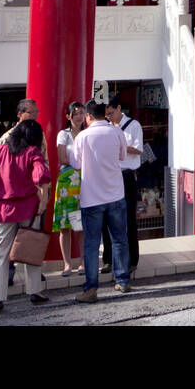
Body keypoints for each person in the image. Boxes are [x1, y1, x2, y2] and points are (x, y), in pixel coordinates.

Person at [0, 118, 51, 314]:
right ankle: (35, 291)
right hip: (28, 208)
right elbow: (41, 175)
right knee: (30, 249)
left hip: (3, 209)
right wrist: (43, 201)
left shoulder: (0, 151)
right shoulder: (32, 152)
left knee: (0, 255)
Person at [69, 100, 130, 302]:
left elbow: (76, 164)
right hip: (115, 194)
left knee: (92, 244)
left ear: (88, 116)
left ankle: (91, 289)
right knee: (119, 239)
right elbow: (122, 156)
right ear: (104, 114)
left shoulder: (82, 137)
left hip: (91, 197)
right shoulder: (117, 132)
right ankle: (122, 280)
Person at [102, 95, 142, 275]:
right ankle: (109, 259)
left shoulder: (133, 125)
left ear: (119, 109)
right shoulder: (106, 128)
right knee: (107, 219)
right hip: (110, 176)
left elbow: (138, 149)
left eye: (111, 113)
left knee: (129, 220)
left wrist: (119, 145)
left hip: (126, 176)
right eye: (106, 115)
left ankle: (133, 260)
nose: (109, 117)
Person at [52, 101, 86, 277]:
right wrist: (79, 165)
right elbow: (62, 158)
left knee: (80, 225)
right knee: (65, 226)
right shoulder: (63, 135)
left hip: (84, 181)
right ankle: (67, 264)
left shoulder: (88, 133)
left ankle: (82, 262)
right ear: (68, 116)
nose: (80, 116)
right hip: (67, 181)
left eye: (82, 113)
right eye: (76, 113)